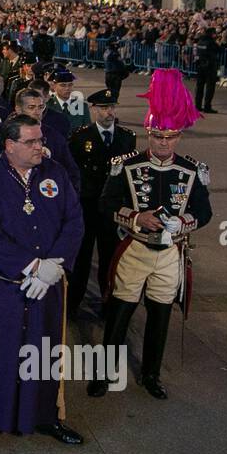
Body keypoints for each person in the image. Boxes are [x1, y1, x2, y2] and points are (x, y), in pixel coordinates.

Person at [0, 114, 84, 454]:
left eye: (40, 140)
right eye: (31, 142)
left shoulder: (55, 173)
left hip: (48, 284)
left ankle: (46, 416)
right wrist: (32, 267)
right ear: (10, 145)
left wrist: (53, 267)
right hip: (1, 286)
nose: (39, 147)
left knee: (44, 354)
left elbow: (74, 222)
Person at [91, 69, 212, 400]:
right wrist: (136, 216)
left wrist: (184, 223)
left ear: (179, 137)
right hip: (135, 249)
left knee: (160, 317)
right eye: (158, 136)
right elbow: (106, 203)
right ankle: (104, 374)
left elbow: (205, 211)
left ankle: (151, 374)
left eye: (169, 137)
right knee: (119, 314)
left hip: (170, 253)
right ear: (148, 133)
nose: (163, 143)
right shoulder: (126, 165)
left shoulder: (191, 171)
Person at [67, 89, 136, 315]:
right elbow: (73, 172)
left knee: (110, 257)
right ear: (93, 109)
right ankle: (73, 302)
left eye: (112, 107)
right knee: (82, 257)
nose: (109, 112)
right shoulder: (79, 137)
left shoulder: (127, 137)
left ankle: (109, 303)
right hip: (87, 205)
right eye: (104, 108)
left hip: (112, 209)